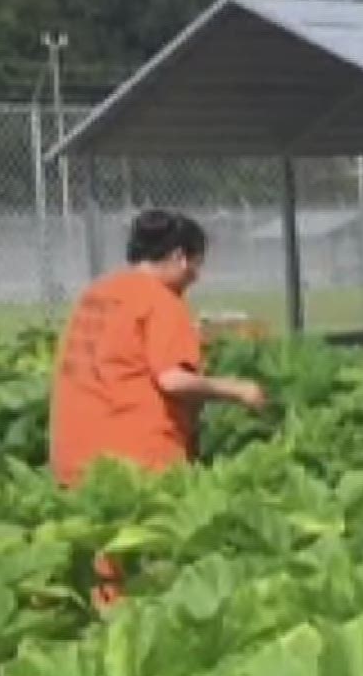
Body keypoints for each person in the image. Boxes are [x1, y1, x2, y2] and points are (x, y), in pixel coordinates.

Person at [49, 210, 267, 605]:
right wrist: (237, 390)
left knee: (97, 557)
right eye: (197, 265)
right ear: (181, 257)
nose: (196, 277)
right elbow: (172, 378)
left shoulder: (97, 294)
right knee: (147, 567)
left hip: (75, 450)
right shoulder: (162, 303)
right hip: (135, 456)